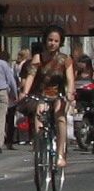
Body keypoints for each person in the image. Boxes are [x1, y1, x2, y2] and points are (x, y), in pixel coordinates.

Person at [19, 24, 76, 168]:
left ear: (60, 42)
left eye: (56, 41)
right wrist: (25, 92)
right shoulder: (38, 58)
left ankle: (61, 153)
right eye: (50, 40)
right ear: (45, 41)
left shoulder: (65, 59)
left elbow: (70, 79)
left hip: (58, 94)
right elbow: (31, 75)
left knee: (60, 116)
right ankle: (39, 145)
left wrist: (70, 93)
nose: (52, 43)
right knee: (39, 112)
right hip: (42, 94)